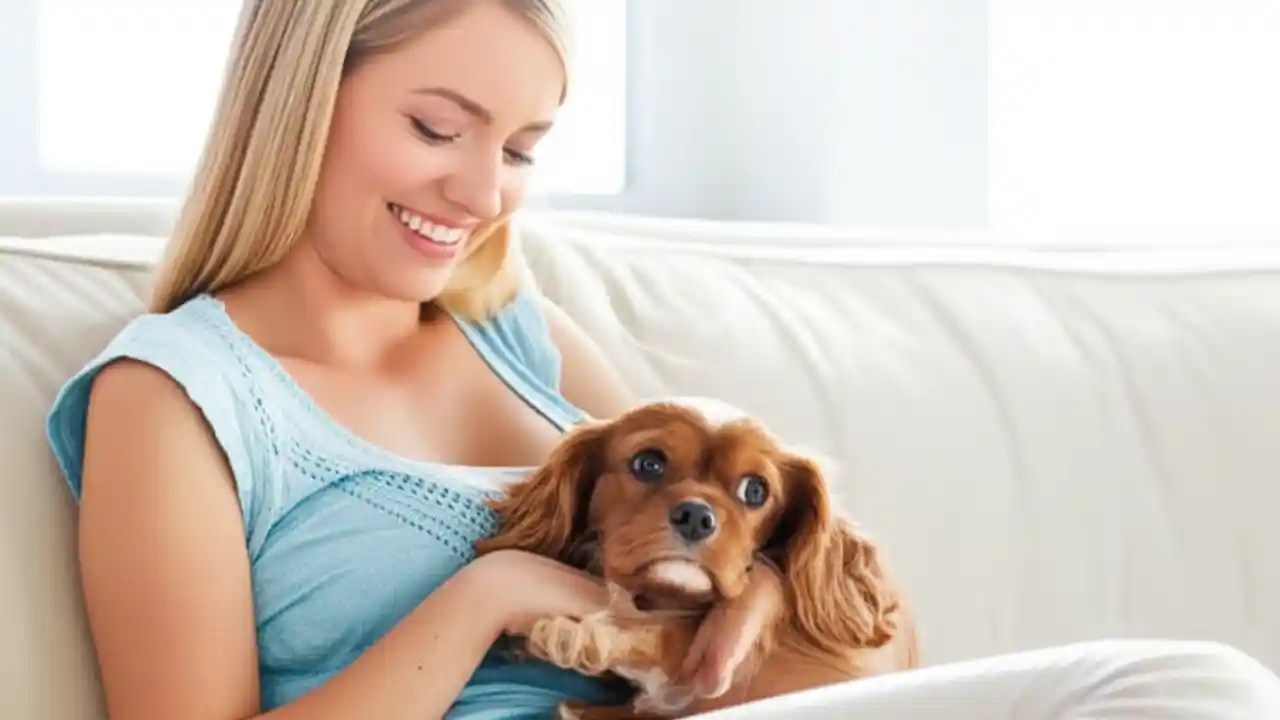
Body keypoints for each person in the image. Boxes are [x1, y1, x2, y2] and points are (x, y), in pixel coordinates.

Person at [44, 1, 1280, 719]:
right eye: (436, 127)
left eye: (522, 148)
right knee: (1183, 686)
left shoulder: (517, 333)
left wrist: (745, 593)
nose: (480, 191)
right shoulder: (177, 397)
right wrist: (494, 595)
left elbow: (755, 528)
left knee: (1191, 691)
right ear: (300, 97)